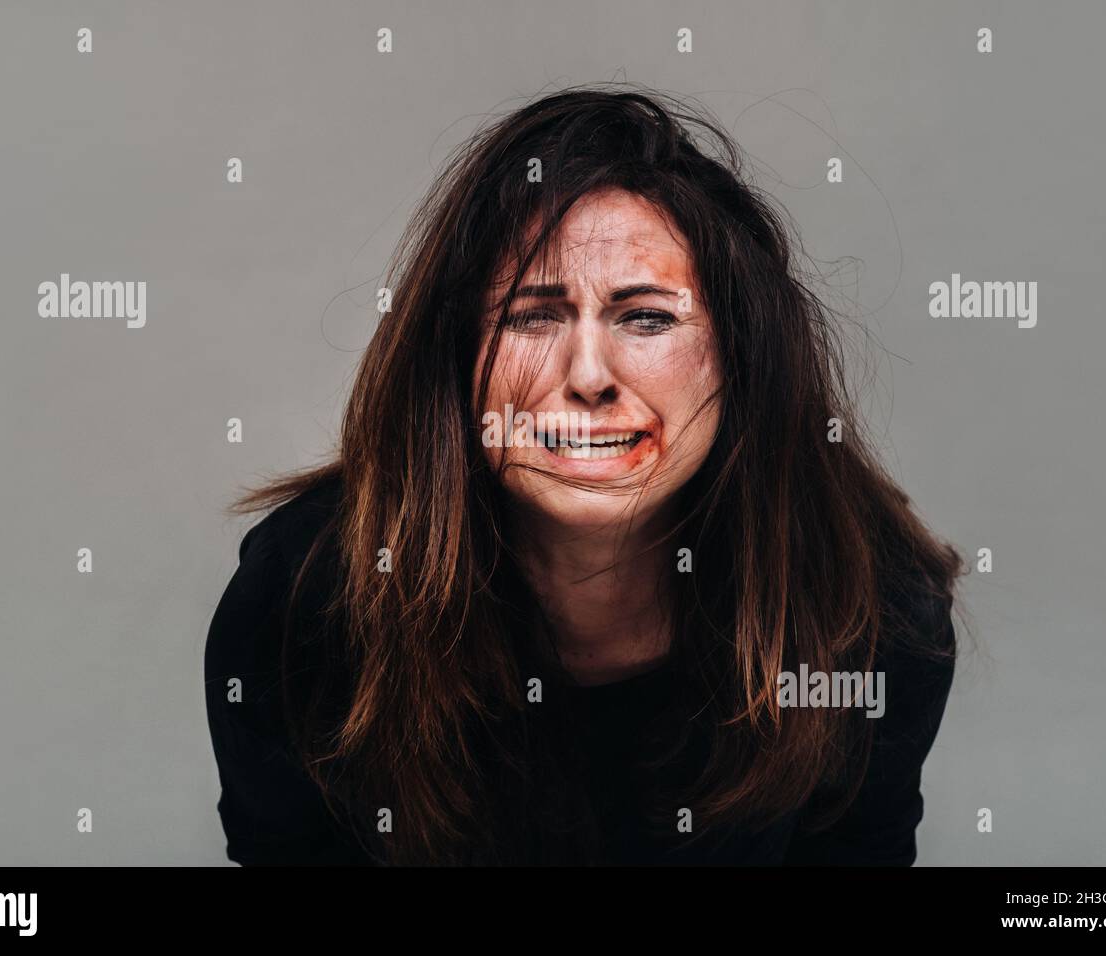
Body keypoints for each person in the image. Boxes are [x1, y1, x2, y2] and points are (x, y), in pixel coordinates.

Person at [204, 85, 963, 866]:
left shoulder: (871, 607)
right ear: (456, 361)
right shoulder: (306, 590)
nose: (589, 375)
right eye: (532, 315)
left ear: (741, 356)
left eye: (647, 317)